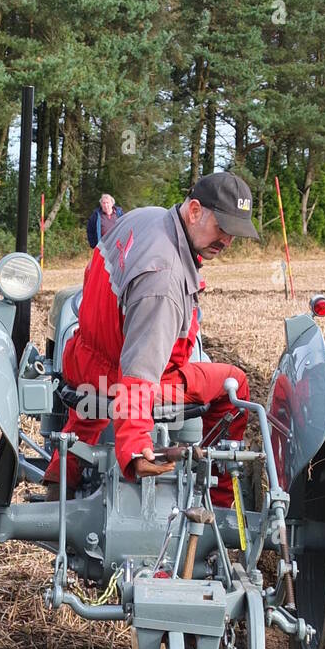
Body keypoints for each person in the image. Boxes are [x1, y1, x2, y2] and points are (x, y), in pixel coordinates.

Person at [44, 172, 259, 506]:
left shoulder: (145, 218)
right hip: (128, 380)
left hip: (86, 361)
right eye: (223, 228)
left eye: (235, 233)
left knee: (91, 404)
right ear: (195, 211)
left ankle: (62, 476)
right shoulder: (164, 281)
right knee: (235, 383)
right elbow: (140, 370)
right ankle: (218, 502)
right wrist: (135, 445)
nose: (228, 241)